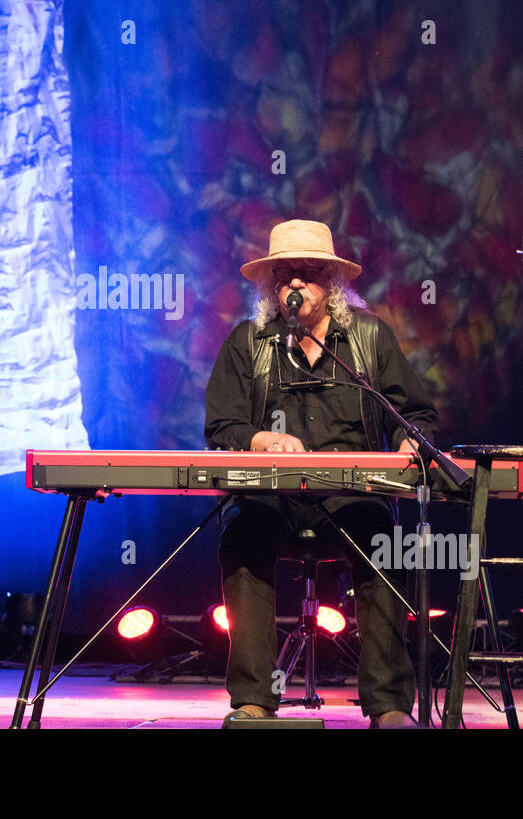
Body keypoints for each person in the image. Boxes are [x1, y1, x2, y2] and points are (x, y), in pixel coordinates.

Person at [205, 219, 438, 727]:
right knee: (242, 535)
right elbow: (221, 424)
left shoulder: (369, 339)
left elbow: (417, 416)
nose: (295, 284)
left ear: (330, 283)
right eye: (286, 275)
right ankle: (253, 701)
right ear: (271, 285)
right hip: (274, 498)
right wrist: (262, 439)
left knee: (384, 540)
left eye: (307, 274)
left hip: (352, 498)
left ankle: (390, 706)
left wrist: (406, 441)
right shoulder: (249, 343)